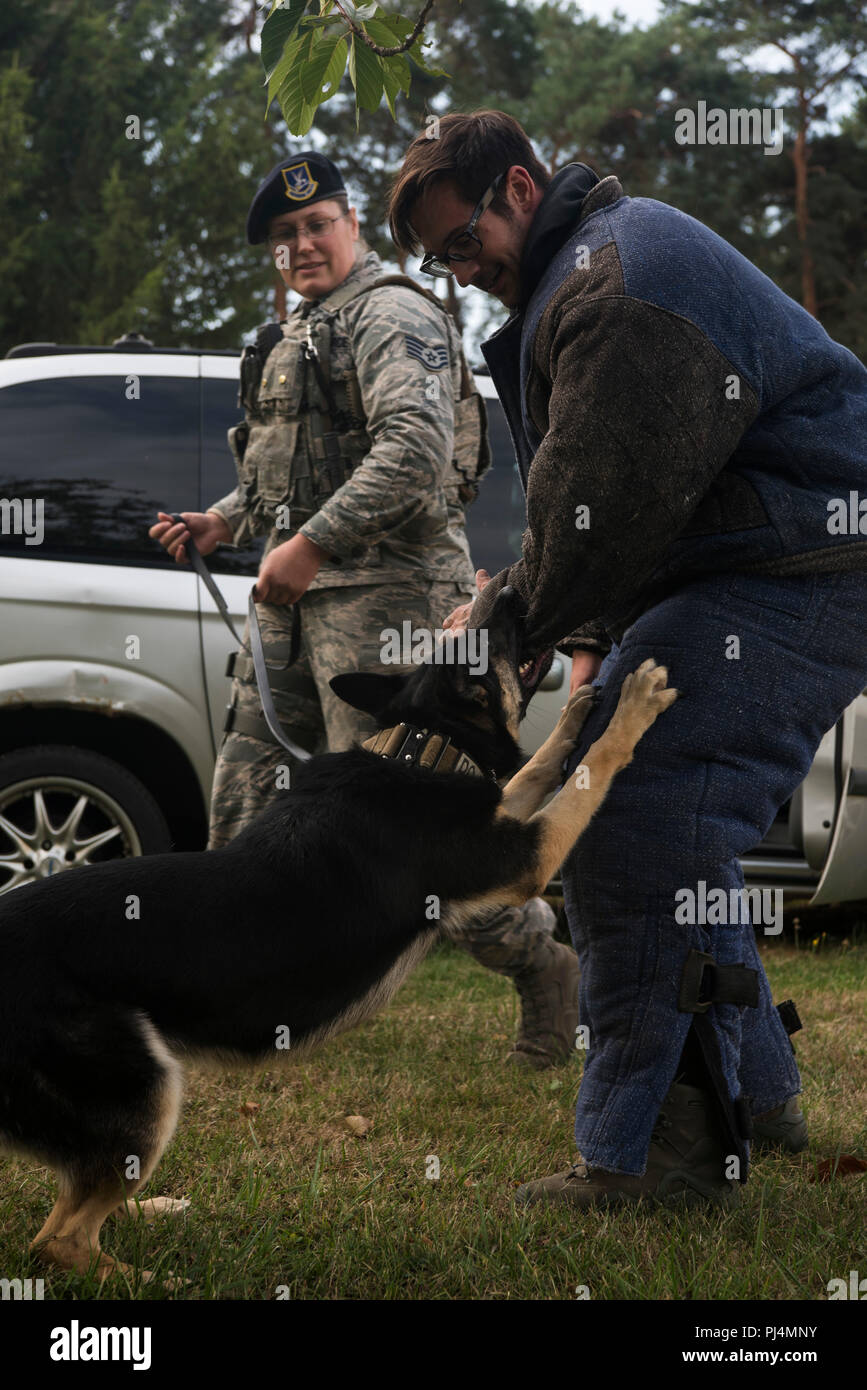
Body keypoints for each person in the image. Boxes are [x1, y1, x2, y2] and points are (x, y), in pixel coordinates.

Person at [388, 109, 867, 1206]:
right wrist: (587, 652)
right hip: (750, 563)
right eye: (437, 259)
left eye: (463, 243)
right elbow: (617, 504)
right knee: (666, 818)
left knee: (636, 820)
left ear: (517, 187)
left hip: (804, 564)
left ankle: (667, 1154)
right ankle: (762, 1092)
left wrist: (503, 619)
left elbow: (594, 523)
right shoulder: (591, 271)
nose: (459, 273)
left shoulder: (617, 290)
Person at [149, 150, 580, 1070]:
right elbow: (281, 475)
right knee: (248, 807)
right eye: (283, 236)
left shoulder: (391, 315)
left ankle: (544, 967)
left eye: (315, 225)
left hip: (393, 616)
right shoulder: (298, 331)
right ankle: (241, 1003)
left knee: (412, 836)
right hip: (293, 613)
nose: (300, 245)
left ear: (349, 225)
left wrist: (310, 547)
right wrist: (221, 520)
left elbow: (415, 453)